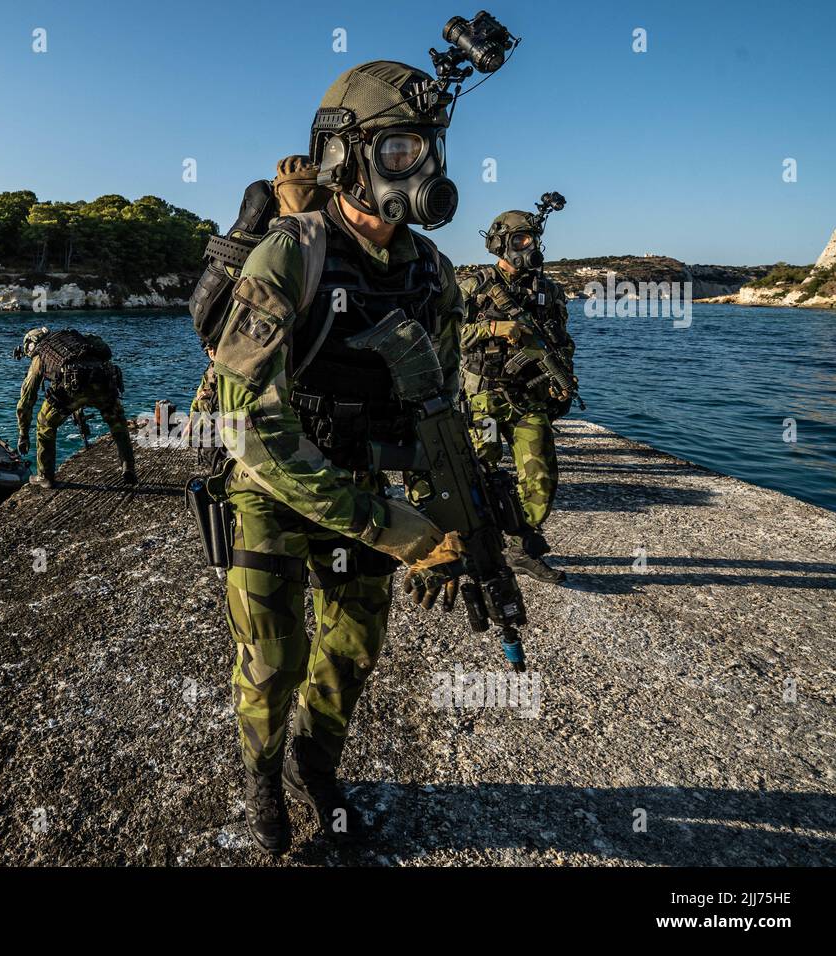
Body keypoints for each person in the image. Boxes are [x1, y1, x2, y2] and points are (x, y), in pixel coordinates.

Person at [208, 61, 473, 854]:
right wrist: (387, 526)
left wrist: (448, 518)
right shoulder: (291, 254)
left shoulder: (433, 274)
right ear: (344, 157)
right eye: (398, 151)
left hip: (360, 476)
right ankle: (261, 772)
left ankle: (314, 764)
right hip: (270, 488)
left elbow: (441, 408)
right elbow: (246, 424)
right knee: (272, 658)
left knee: (355, 646)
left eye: (427, 149)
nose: (418, 170)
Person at [458, 206, 577, 583]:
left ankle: (521, 546)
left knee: (541, 475)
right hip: (485, 397)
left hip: (529, 399)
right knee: (482, 474)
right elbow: (445, 336)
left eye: (534, 240)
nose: (530, 247)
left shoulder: (549, 291)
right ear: (500, 243)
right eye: (522, 240)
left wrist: (563, 377)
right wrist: (493, 328)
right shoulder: (473, 287)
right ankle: (476, 545)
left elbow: (562, 340)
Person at [15, 326, 136, 488]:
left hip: (71, 389)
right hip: (103, 383)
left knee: (44, 425)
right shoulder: (76, 339)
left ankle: (45, 476)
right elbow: (105, 352)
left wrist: (23, 434)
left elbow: (27, 398)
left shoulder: (40, 355)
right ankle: (128, 467)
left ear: (31, 345)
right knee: (118, 423)